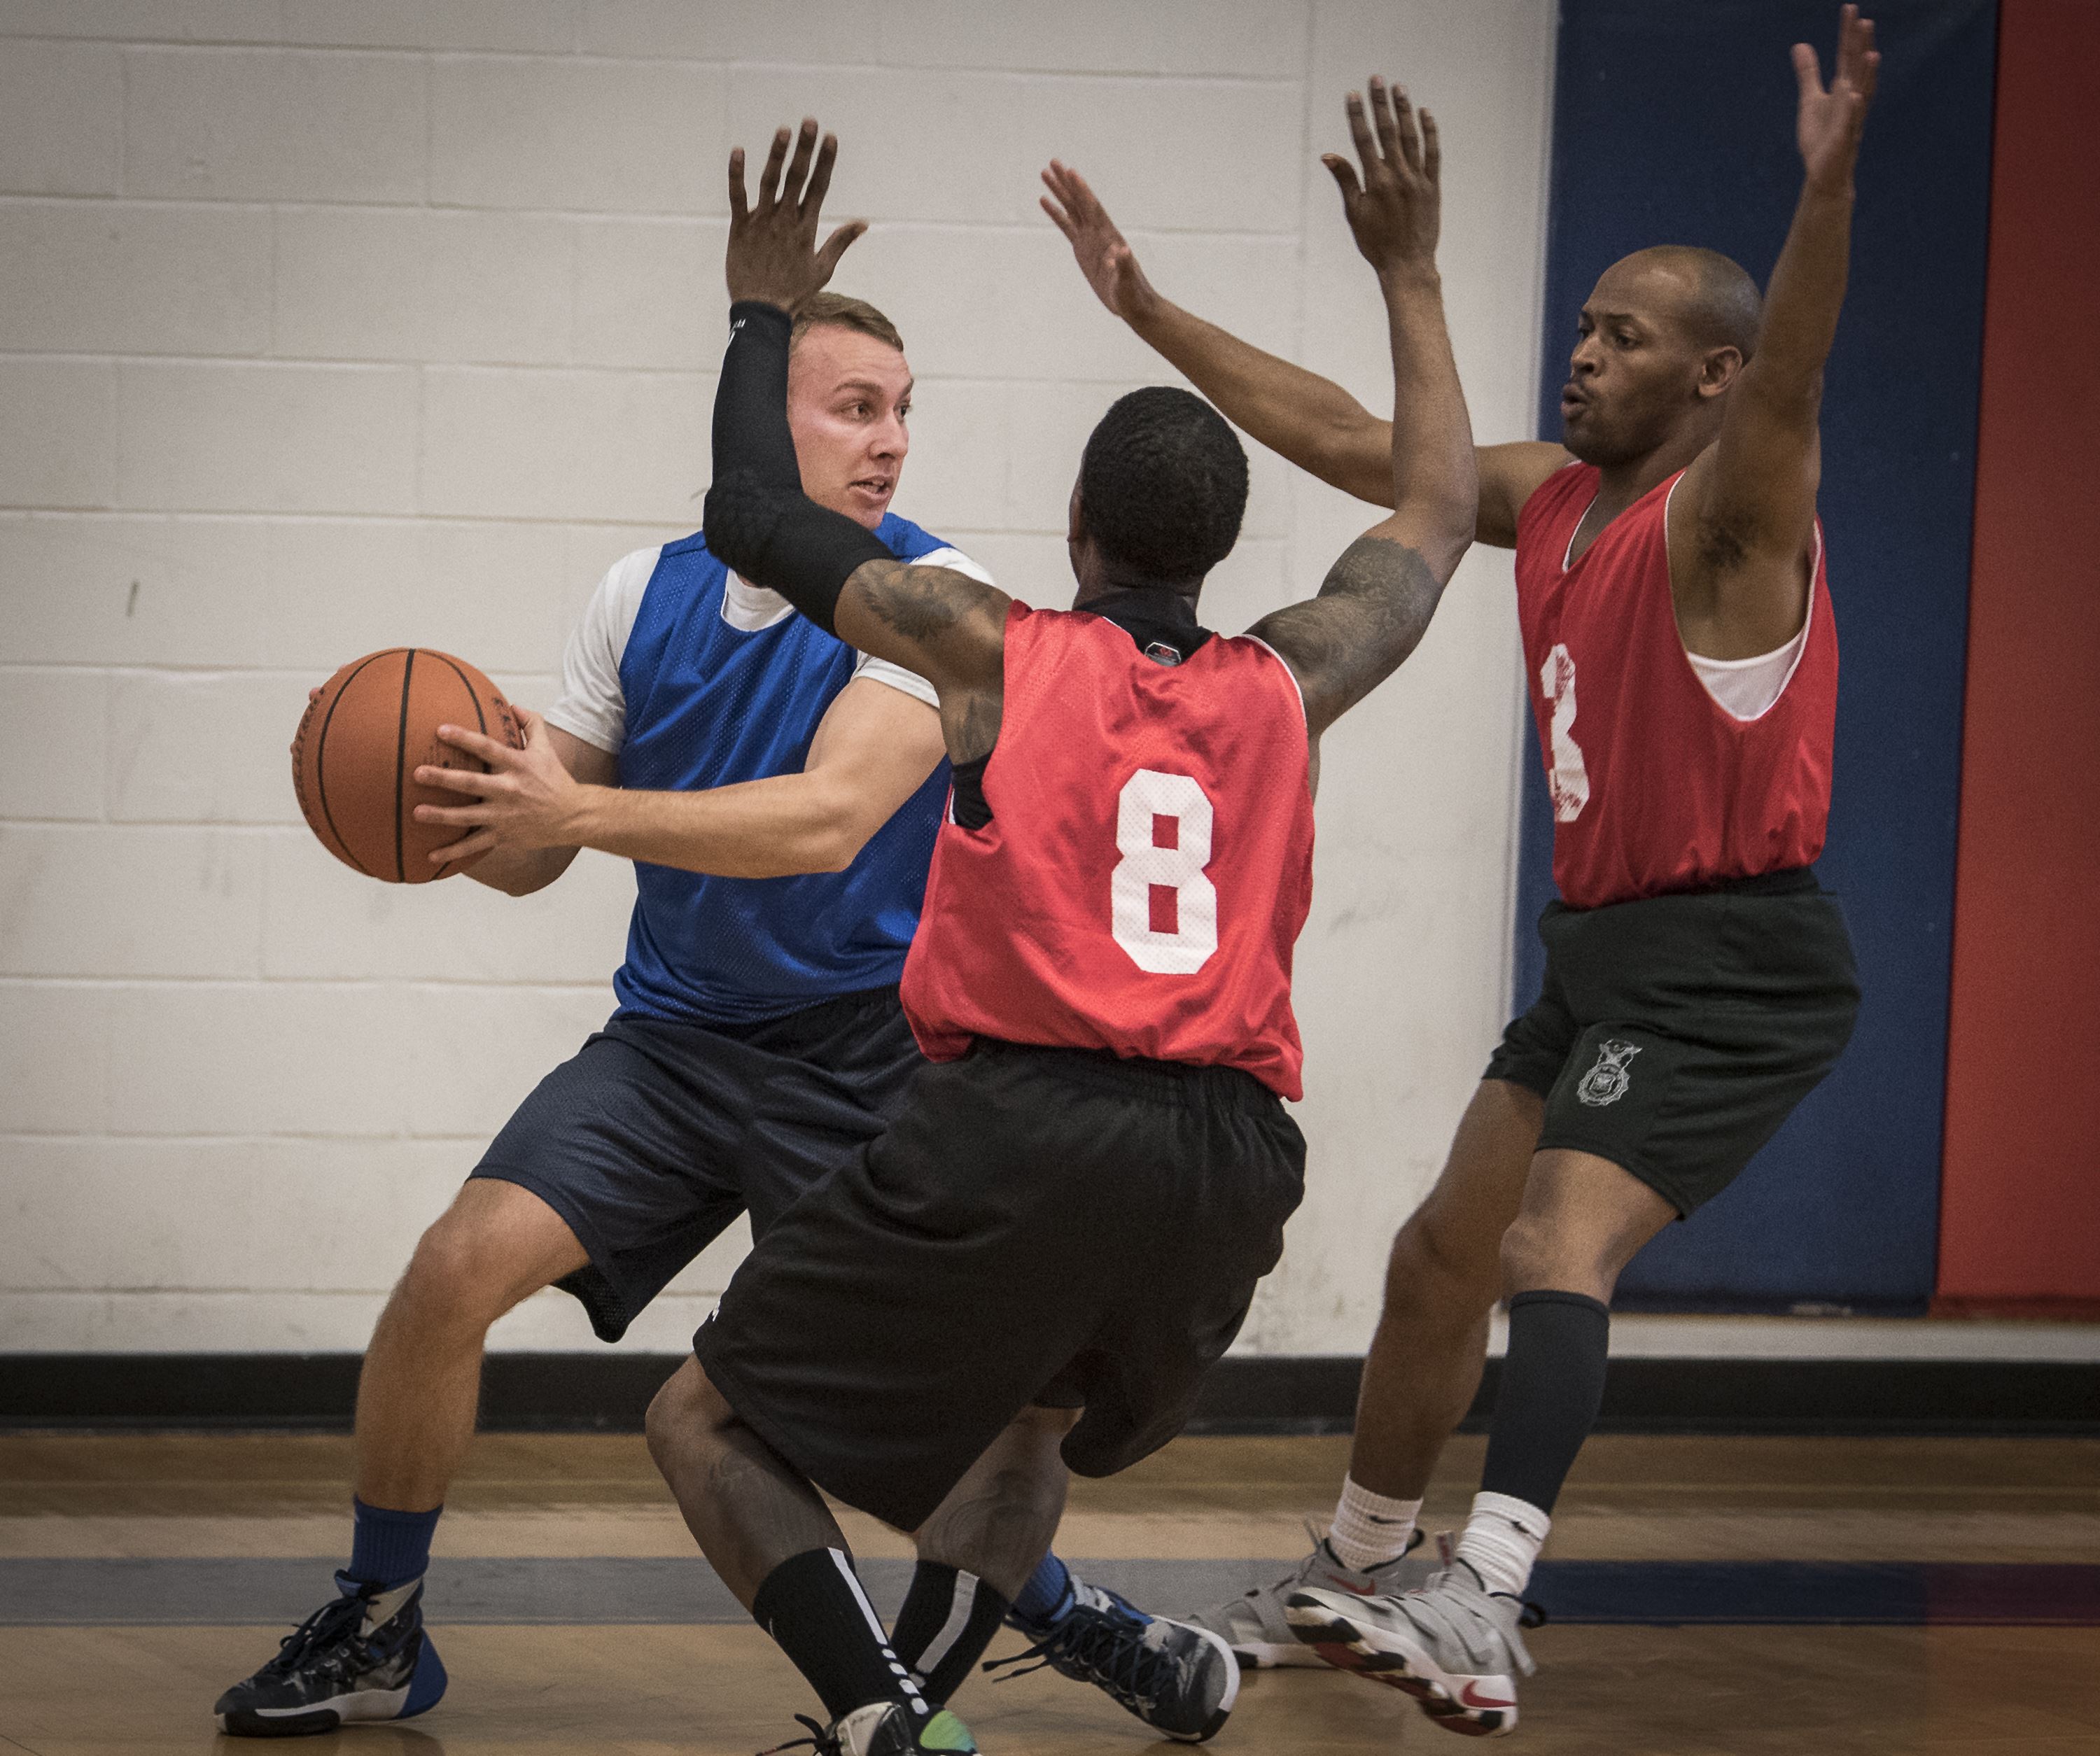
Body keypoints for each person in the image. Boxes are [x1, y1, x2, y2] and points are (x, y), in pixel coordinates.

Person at [1044, 8, 1876, 1738]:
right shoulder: (1563, 496)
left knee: (1551, 1245)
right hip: (1606, 950)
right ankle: (1358, 1565)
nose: (1583, 355)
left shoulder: (1730, 515)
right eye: (1581, 326)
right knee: (1440, 1251)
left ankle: (1485, 1599)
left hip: (1734, 956)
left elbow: (1794, 370)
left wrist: (1831, 194)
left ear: (1710, 377)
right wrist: (1144, 309)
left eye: (1624, 337)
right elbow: (1362, 440)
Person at [643, 80, 1476, 1756]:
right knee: (1025, 1431)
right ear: (1226, 546)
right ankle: (914, 1727)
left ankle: (873, 1713)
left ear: (1079, 530)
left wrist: (758, 309)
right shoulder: (1294, 675)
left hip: (1028, 1124)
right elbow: (1444, 510)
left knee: (704, 1418)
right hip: (1233, 1158)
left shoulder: (995, 646)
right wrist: (1410, 276)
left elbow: (749, 511)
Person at [212, 131, 1012, 1736]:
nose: (891, 444)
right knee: (450, 1273)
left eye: (905, 410)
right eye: (856, 406)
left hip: (866, 1057)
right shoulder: (638, 593)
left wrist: (576, 817)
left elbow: (824, 820)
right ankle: (381, 1616)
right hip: (671, 1046)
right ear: (766, 414)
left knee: (918, 1433)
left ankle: (1083, 1612)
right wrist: (459, 805)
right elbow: (536, 849)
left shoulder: (944, 593)